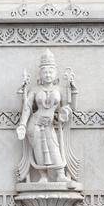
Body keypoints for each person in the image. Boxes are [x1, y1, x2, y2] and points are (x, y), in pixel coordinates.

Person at [16, 49, 80, 184]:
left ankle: (60, 174)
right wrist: (22, 125)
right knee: (38, 148)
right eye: (45, 72)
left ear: (55, 73)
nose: (48, 74)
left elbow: (70, 107)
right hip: (34, 124)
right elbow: (27, 108)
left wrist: (73, 92)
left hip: (49, 124)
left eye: (50, 71)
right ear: (40, 74)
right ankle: (43, 176)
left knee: (54, 147)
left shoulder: (60, 90)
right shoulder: (34, 90)